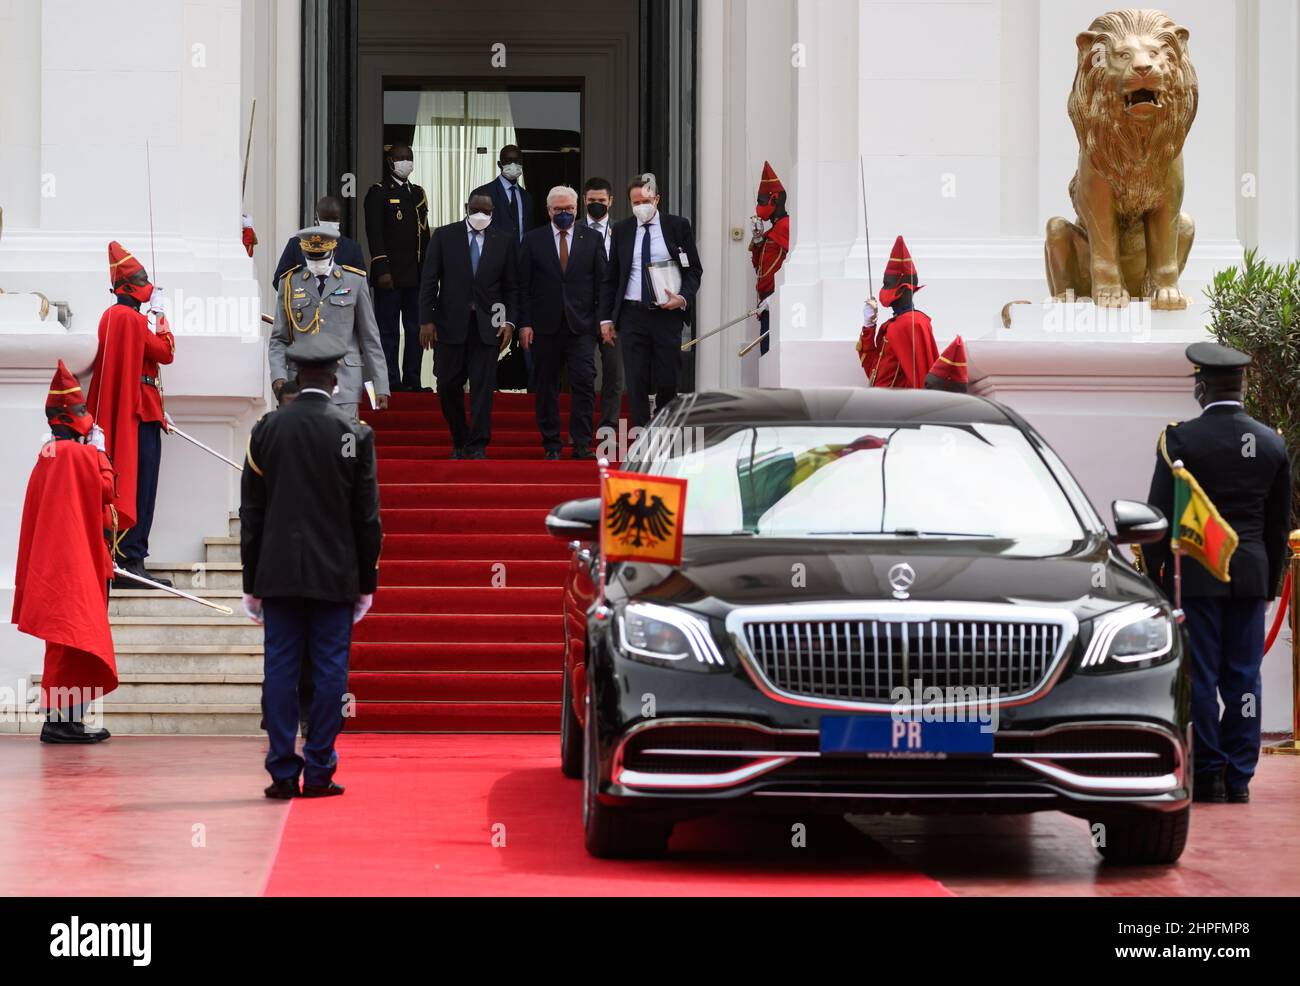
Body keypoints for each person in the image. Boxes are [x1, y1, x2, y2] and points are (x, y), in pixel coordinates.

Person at [1144, 342, 1292, 805]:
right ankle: (1240, 777)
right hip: (1250, 575)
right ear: (1243, 387)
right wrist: (1269, 584)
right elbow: (1277, 526)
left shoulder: (1179, 442)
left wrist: (1156, 578)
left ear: (1202, 387)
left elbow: (1157, 519)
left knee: (1202, 677)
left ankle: (1208, 772)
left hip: (1197, 574)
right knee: (1244, 677)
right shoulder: (1271, 442)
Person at [240, 332, 382, 799]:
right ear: (336, 376)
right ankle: (319, 768)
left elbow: (253, 514)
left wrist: (251, 580)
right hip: (335, 576)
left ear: (297, 376)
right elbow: (367, 520)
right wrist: (367, 581)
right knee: (329, 673)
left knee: (279, 670)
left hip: (277, 574)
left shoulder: (266, 431)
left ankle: (282, 770)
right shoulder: (353, 435)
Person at [13, 361, 118, 743]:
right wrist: (100, 453)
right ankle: (61, 722)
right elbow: (107, 490)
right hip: (77, 567)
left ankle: (66, 719)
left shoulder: (48, 455)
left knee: (68, 644)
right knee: (74, 642)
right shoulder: (78, 456)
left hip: (59, 567)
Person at [87, 241, 175, 589]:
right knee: (141, 487)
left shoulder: (111, 317)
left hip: (140, 409)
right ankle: (131, 558)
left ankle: (125, 556)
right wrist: (161, 316)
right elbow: (165, 352)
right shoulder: (135, 321)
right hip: (139, 414)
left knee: (131, 484)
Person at [419, 193, 518, 459]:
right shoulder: (444, 236)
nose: (480, 215)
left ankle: (477, 444)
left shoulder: (503, 240)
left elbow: (510, 287)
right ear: (466, 208)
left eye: (485, 211)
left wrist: (509, 321)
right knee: (447, 385)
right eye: (475, 210)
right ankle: (459, 437)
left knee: (483, 388)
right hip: (449, 324)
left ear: (493, 212)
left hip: (488, 326)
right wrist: (426, 320)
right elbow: (429, 280)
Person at [600, 172, 702, 429]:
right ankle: (642, 434)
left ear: (657, 199)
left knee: (668, 376)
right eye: (635, 203)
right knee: (636, 380)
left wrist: (682, 298)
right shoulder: (621, 230)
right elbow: (611, 278)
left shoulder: (678, 227)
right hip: (632, 314)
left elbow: (693, 271)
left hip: (666, 314)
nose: (641, 207)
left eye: (645, 201)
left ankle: (664, 426)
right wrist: (606, 319)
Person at [518, 186, 608, 460]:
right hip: (544, 326)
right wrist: (525, 323)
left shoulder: (592, 239)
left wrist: (601, 320)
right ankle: (552, 443)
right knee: (545, 385)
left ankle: (581, 443)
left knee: (584, 381)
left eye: (569, 209)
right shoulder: (533, 240)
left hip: (581, 326)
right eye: (559, 210)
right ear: (548, 211)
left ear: (576, 209)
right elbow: (523, 286)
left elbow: (603, 283)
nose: (565, 213)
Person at [269, 226, 390, 420]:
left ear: (333, 251)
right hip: (301, 381)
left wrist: (381, 384)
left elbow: (370, 338)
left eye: (321, 257)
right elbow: (279, 338)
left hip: (344, 381)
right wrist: (278, 375)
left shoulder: (355, 280)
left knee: (343, 445)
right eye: (311, 257)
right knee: (306, 444)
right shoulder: (290, 282)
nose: (316, 263)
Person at [363, 144, 430, 392]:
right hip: (389, 276)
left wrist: (429, 273)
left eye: (409, 158)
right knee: (388, 331)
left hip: (416, 275)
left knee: (416, 331)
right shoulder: (379, 193)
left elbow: (425, 236)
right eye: (401, 158)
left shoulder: (418, 193)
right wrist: (381, 269)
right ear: (390, 161)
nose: (405, 162)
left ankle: (413, 381)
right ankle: (390, 381)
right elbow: (374, 234)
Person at [856, 235, 939, 388]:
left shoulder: (913, 323)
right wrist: (869, 326)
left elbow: (919, 379)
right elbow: (874, 372)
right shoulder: (892, 325)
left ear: (905, 290)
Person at [583, 177, 623, 438]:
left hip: (613, 313)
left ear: (611, 201)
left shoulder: (624, 231)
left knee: (613, 374)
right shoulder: (573, 231)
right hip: (582, 313)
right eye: (591, 201)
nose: (596, 205)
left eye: (601, 201)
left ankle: (608, 427)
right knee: (584, 374)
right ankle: (581, 429)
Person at [273, 196, 366, 290]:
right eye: (325, 218)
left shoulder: (352, 248)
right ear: (316, 218)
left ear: (340, 219)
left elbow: (361, 286)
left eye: (335, 219)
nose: (330, 223)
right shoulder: (296, 244)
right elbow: (279, 281)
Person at [749, 161, 790, 357]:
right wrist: (758, 239)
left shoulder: (786, 227)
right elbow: (759, 266)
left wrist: (775, 298)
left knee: (771, 354)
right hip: (765, 302)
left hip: (778, 302)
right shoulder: (773, 231)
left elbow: (792, 269)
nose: (759, 207)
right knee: (765, 354)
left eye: (762, 201)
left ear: (774, 200)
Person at [471, 143, 535, 245]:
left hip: (522, 257)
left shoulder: (527, 197)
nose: (513, 165)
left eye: (517, 161)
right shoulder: (482, 194)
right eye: (508, 161)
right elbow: (476, 230)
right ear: (499, 164)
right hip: (494, 257)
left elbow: (529, 231)